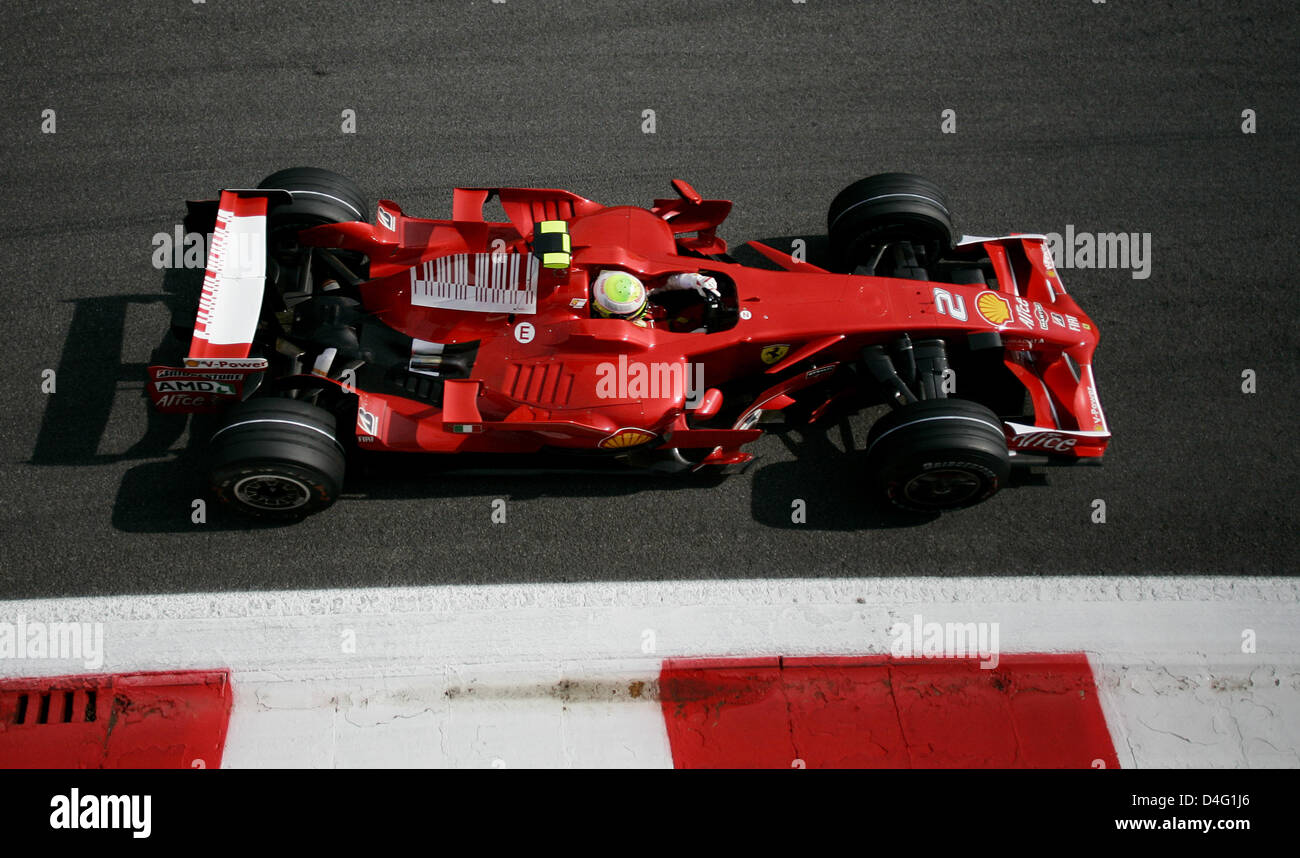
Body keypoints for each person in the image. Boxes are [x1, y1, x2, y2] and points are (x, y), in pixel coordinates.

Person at [590, 270, 721, 330]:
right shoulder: (640, 329)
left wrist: (697, 280)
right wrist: (702, 331)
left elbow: (669, 282)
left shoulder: (608, 278)